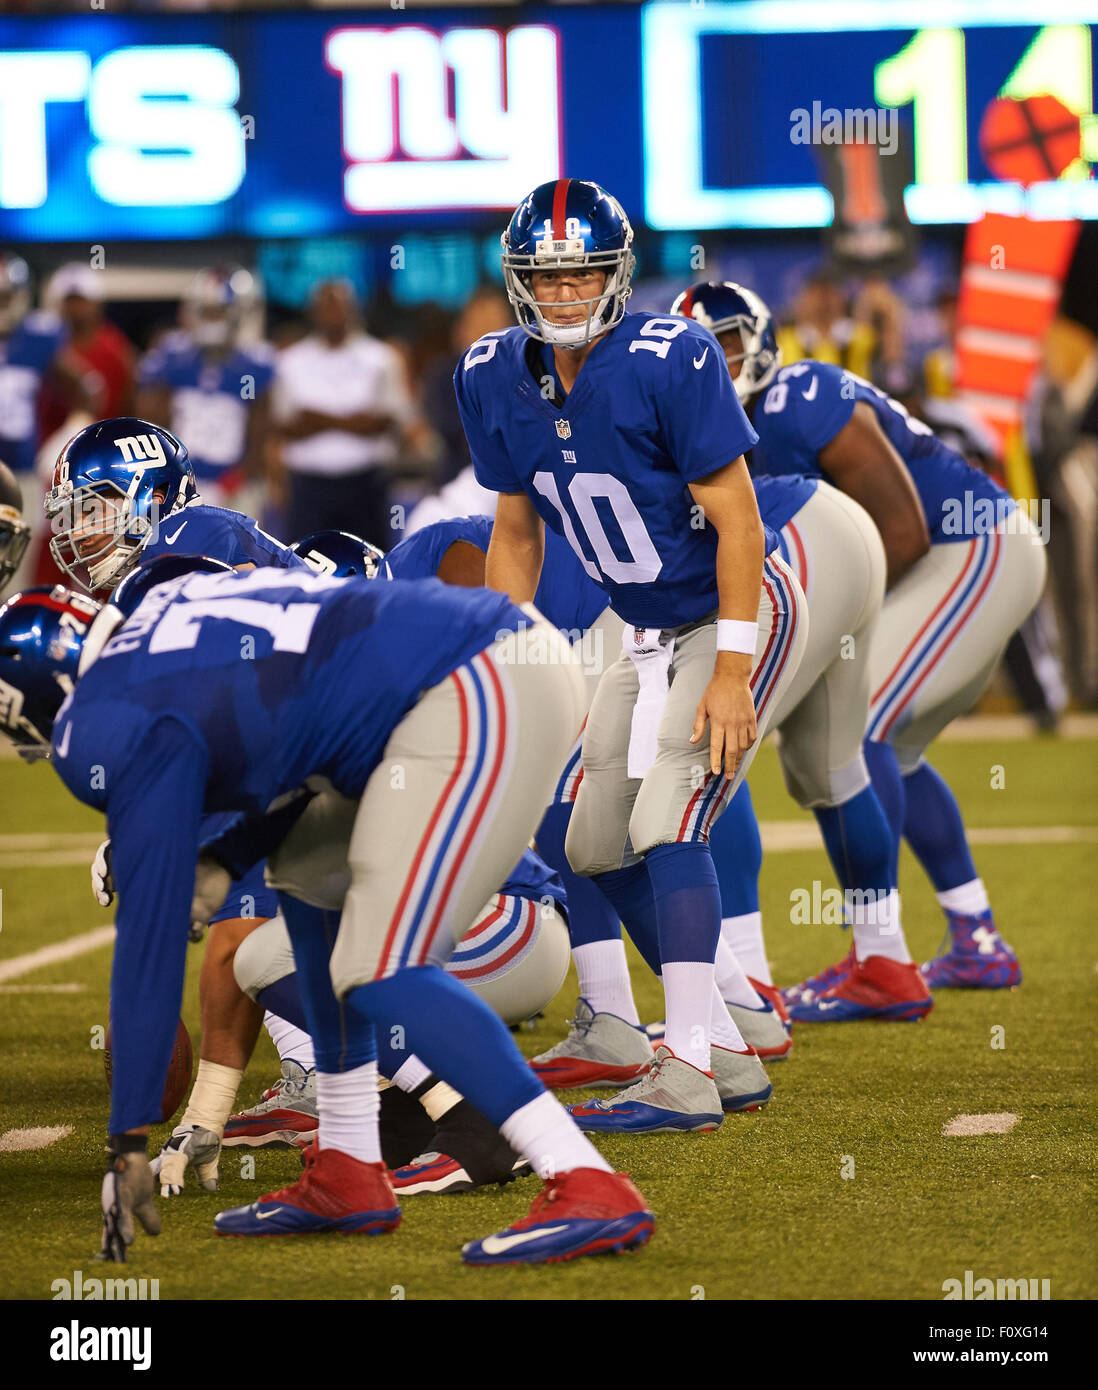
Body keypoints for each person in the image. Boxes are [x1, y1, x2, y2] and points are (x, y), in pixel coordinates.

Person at [0, 561, 654, 1266]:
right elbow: (284, 746)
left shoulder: (104, 720)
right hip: (454, 678)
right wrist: (222, 859)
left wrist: (127, 1134)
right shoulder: (163, 630)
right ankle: (347, 1167)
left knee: (382, 964)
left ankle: (585, 1178)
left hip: (478, 677)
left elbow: (148, 947)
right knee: (308, 887)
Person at [455, 179, 807, 1133]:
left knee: (668, 820)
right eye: (546, 275)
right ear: (520, 280)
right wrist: (491, 653)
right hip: (639, 625)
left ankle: (687, 1063)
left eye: (583, 274)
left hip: (732, 611)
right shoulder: (490, 372)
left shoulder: (670, 355)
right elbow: (518, 530)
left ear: (617, 273)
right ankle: (732, 1041)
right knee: (590, 845)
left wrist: (732, 671)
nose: (565, 294)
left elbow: (740, 526)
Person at [729, 280, 1047, 1000]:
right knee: (893, 752)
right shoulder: (735, 436)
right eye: (700, 351)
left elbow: (898, 531)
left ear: (761, 342)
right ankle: (975, 938)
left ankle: (881, 959)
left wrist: (832, 630)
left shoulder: (794, 395)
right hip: (956, 556)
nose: (716, 365)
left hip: (969, 546)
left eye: (727, 344)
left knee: (859, 726)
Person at [45, 416, 309, 1193]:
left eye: (94, 508)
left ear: (148, 494)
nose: (81, 532)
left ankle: (416, 1085)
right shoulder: (163, 574)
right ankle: (317, 1070)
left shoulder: (190, 539)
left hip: (384, 760)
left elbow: (228, 705)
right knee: (239, 905)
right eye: (72, 515)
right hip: (329, 756)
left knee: (247, 910)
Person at [269, 279, 417, 547]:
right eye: (324, 307)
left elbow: (385, 422)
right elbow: (287, 427)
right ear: (312, 312)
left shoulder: (381, 357)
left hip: (365, 485)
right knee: (304, 568)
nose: (331, 314)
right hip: (308, 489)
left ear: (352, 309)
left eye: (337, 306)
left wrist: (318, 419)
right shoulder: (290, 361)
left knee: (370, 564)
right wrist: (355, 421)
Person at [136, 267, 273, 509]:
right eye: (207, 311)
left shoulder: (254, 364)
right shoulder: (172, 355)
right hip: (177, 481)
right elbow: (150, 424)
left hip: (233, 485)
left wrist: (233, 482)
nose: (213, 319)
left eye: (220, 311)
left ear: (239, 313)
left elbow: (261, 437)